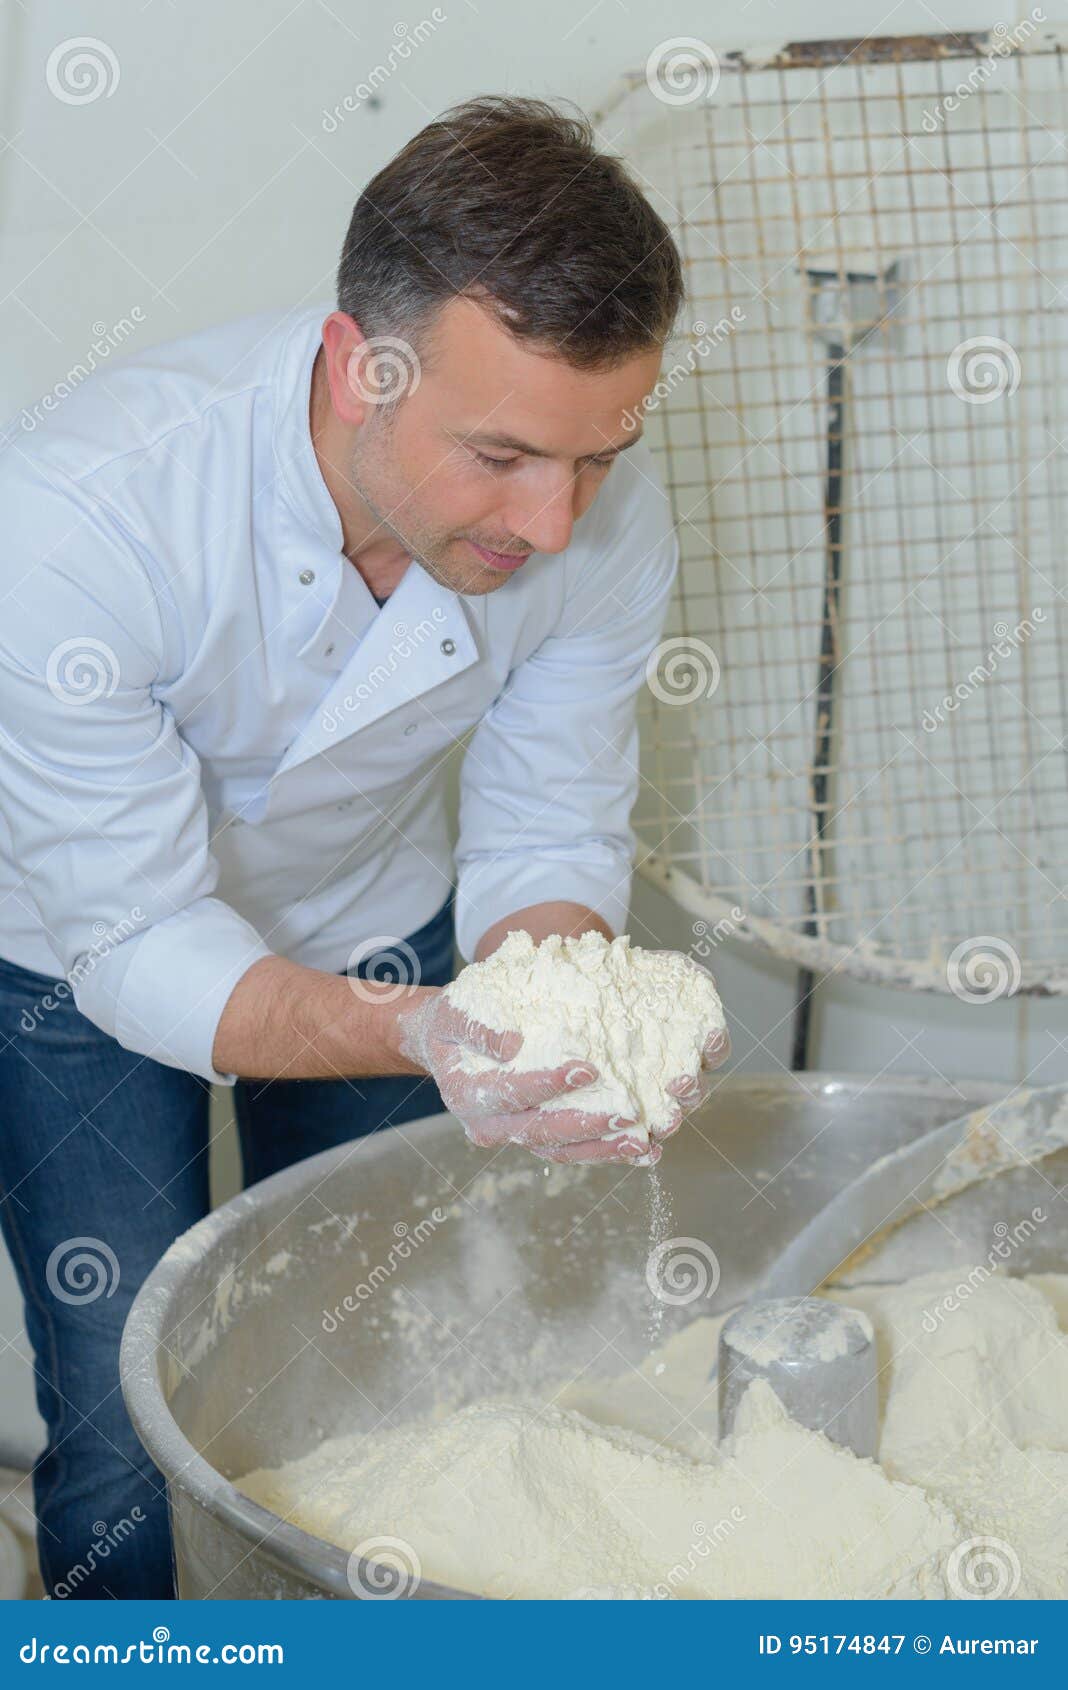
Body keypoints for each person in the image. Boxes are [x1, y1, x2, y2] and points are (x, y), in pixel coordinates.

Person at [0, 96, 727, 1599]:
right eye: (504, 455)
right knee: (130, 1421)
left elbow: (545, 822)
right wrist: (432, 1029)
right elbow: (136, 940)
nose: (552, 520)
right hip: (66, 952)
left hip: (375, 909)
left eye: (595, 457)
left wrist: (554, 1014)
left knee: (388, 1366)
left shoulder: (600, 507)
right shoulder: (73, 523)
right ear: (358, 366)